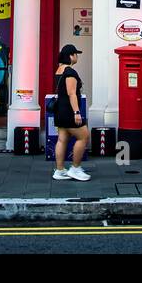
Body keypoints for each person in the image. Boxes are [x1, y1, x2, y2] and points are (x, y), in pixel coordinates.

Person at [51, 45, 90, 182]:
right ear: (70, 56)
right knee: (84, 136)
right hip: (69, 111)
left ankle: (60, 170)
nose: (77, 57)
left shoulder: (59, 70)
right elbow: (71, 93)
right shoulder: (70, 72)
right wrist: (77, 112)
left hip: (59, 110)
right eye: (76, 54)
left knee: (62, 139)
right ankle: (75, 168)